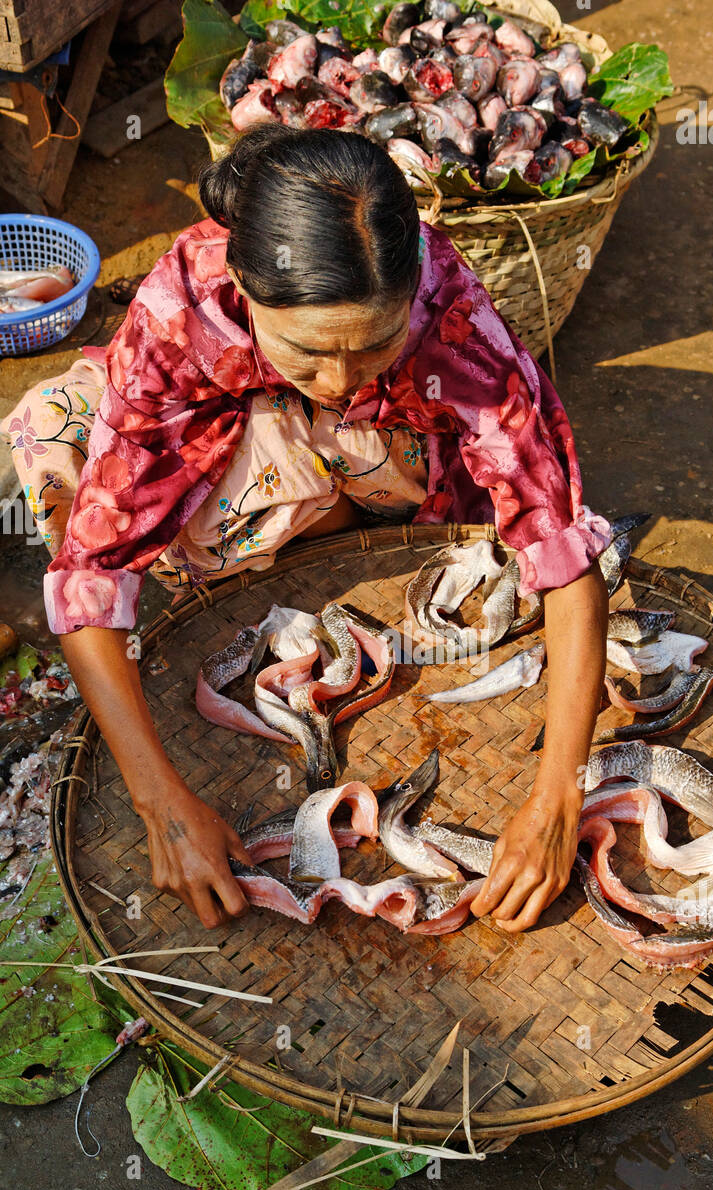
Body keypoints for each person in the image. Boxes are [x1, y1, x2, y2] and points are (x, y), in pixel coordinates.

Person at [3, 125, 610, 934]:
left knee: (346, 431)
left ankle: (335, 517)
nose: (339, 378)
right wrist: (162, 804)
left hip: (387, 465)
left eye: (374, 344)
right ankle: (304, 517)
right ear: (245, 288)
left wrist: (560, 794)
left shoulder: (449, 310)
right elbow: (93, 573)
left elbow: (560, 547)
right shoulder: (180, 304)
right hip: (246, 436)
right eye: (310, 350)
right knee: (49, 429)